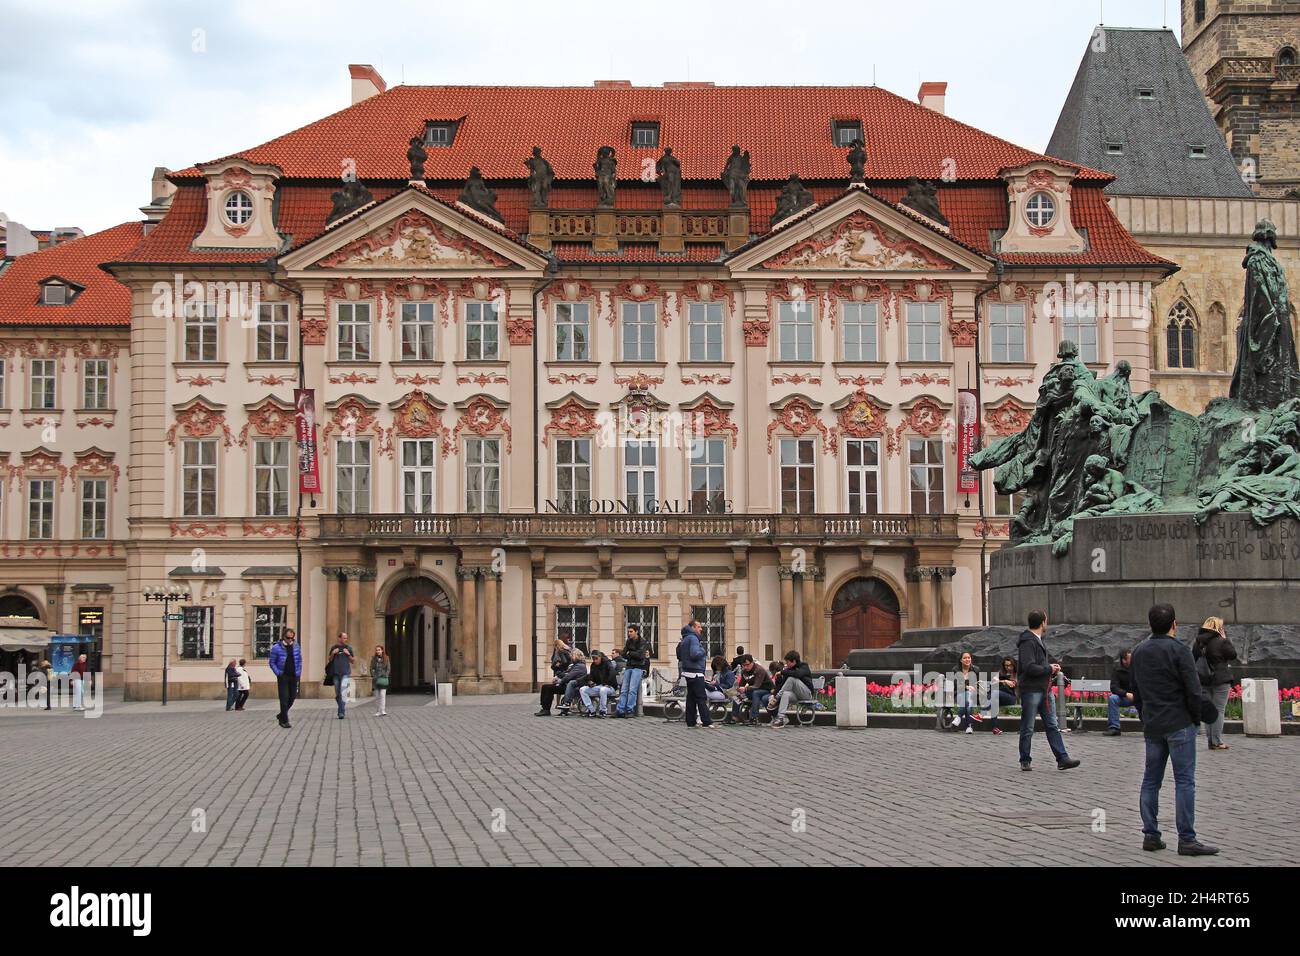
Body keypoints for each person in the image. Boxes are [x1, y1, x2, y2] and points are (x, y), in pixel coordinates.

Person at [1130, 604, 1219, 855]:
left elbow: (1135, 690)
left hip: (1153, 725)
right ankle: (1187, 839)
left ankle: (1150, 835)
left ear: (1150, 624)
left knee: (1150, 781)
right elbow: (1193, 690)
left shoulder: (1139, 651)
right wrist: (1195, 718)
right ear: (1174, 625)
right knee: (1184, 782)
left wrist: (1144, 716)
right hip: (1179, 723)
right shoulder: (1180, 651)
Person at [1016, 610, 1080, 771]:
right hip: (1032, 690)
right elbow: (1029, 667)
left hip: (1044, 689)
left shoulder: (1037, 640)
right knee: (1028, 726)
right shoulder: (1028, 641)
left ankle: (1062, 758)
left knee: (1052, 724)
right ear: (1043, 623)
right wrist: (1048, 668)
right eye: (1046, 621)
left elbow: (1037, 664)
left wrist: (1051, 667)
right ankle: (1025, 759)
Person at [1193, 617, 1237, 751]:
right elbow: (1233, 655)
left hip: (1204, 679)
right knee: (1219, 710)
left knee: (1209, 709)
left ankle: (1210, 740)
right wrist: (1225, 638)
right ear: (1218, 627)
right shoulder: (1221, 641)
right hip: (1220, 679)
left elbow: (1193, 658)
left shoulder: (1198, 642)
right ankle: (1216, 741)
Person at [677, 619, 714, 728]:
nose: (701, 629)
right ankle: (707, 721)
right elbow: (694, 654)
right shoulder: (693, 638)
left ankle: (691, 721)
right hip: (696, 672)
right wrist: (703, 651)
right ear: (693, 628)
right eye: (699, 627)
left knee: (691, 698)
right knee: (701, 697)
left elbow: (680, 655)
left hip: (688, 672)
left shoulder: (685, 638)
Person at [768, 650, 814, 729]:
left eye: (788, 662)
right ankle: (780, 718)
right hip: (796, 695)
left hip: (806, 694)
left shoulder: (804, 666)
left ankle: (776, 699)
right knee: (785, 693)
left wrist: (782, 672)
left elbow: (798, 674)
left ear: (794, 661)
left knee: (792, 679)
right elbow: (782, 685)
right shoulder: (788, 670)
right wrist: (774, 694)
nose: (786, 664)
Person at [268, 629, 301, 728]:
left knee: (292, 697)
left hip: (293, 675)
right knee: (284, 698)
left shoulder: (296, 646)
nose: (290, 640)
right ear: (283, 637)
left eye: (292, 638)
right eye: (288, 638)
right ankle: (284, 721)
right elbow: (272, 662)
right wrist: (278, 673)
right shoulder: (276, 648)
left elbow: (299, 660)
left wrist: (299, 672)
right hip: (283, 676)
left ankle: (281, 715)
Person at [615, 624, 650, 718]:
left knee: (632, 690)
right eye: (628, 631)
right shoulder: (628, 641)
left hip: (638, 666)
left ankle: (630, 710)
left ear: (636, 631)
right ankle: (620, 710)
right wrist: (630, 654)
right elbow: (623, 654)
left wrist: (629, 653)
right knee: (624, 689)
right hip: (629, 666)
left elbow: (640, 655)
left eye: (631, 631)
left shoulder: (642, 642)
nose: (629, 633)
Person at [729, 655, 773, 725]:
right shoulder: (744, 671)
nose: (746, 667)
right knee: (737, 694)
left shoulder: (759, 670)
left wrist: (745, 688)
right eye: (744, 665)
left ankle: (754, 718)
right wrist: (738, 689)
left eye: (747, 665)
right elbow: (742, 684)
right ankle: (735, 717)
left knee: (756, 693)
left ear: (752, 662)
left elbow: (757, 685)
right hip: (752, 690)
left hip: (765, 690)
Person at [1105, 649, 1136, 736]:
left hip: (1139, 696)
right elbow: (1114, 687)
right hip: (1125, 697)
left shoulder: (1139, 667)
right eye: (1130, 658)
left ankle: (1151, 727)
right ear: (1124, 660)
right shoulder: (1117, 670)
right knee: (1113, 698)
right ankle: (1114, 728)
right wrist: (1126, 694)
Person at [950, 651, 982, 734]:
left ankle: (958, 717)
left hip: (973, 695)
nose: (967, 659)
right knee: (967, 699)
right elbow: (956, 685)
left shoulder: (976, 670)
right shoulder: (955, 670)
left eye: (969, 657)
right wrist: (967, 687)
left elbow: (978, 684)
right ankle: (969, 726)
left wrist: (974, 687)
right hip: (958, 694)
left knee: (968, 699)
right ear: (961, 660)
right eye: (965, 658)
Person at [579, 650, 618, 717]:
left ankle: (603, 711)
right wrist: (590, 682)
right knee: (583, 689)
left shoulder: (607, 663)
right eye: (593, 659)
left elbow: (613, 673)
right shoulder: (593, 665)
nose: (595, 661)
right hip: (599, 686)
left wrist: (607, 683)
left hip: (610, 687)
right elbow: (591, 677)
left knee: (603, 690)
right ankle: (591, 710)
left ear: (600, 657)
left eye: (596, 659)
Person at [328, 632, 356, 719]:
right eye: (344, 638)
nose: (345, 640)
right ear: (339, 638)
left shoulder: (348, 648)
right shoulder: (334, 647)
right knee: (337, 693)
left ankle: (341, 712)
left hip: (345, 673)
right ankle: (341, 705)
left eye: (346, 638)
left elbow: (353, 661)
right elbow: (329, 659)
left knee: (343, 693)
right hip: (336, 673)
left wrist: (348, 654)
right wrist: (333, 653)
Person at [991, 657, 1017, 735]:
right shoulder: (1001, 672)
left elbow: (1013, 684)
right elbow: (993, 681)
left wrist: (1000, 681)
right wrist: (1004, 681)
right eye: (1006, 665)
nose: (1008, 667)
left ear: (1014, 665)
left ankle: (982, 714)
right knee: (994, 701)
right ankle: (995, 728)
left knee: (994, 693)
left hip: (1011, 698)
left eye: (1010, 665)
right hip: (1000, 697)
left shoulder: (1017, 674)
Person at [371, 645, 391, 717]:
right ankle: (378, 711)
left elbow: (388, 668)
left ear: (382, 650)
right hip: (376, 680)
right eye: (377, 650)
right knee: (377, 696)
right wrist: (373, 675)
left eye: (379, 650)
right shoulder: (373, 659)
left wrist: (385, 675)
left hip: (383, 679)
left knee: (382, 695)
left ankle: (382, 710)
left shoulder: (386, 658)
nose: (378, 651)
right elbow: (371, 668)